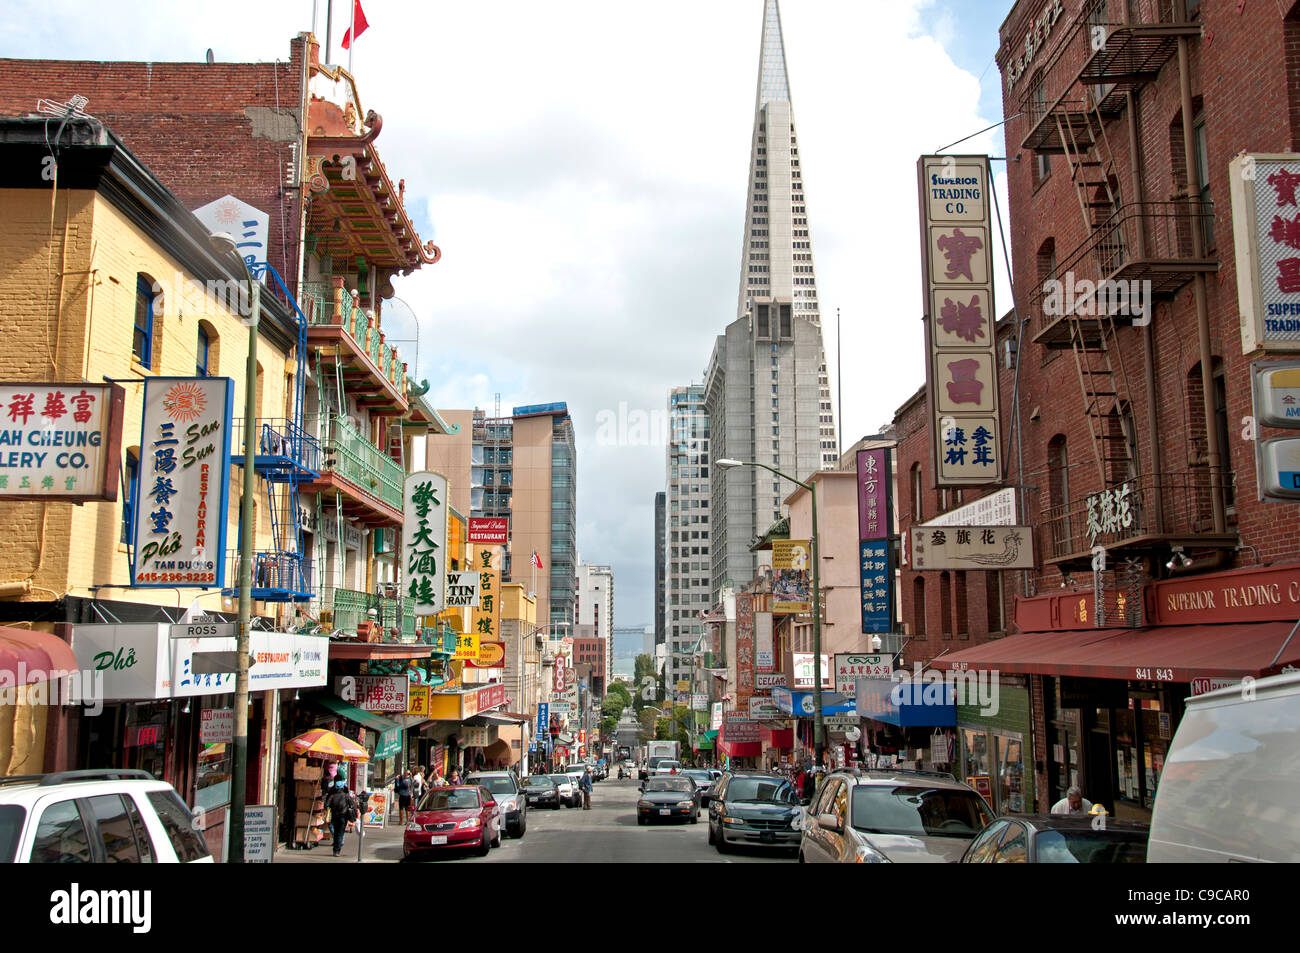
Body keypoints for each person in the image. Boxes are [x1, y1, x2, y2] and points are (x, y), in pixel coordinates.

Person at [327, 779, 358, 857]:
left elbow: (326, 804)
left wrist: (332, 807)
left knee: (336, 832)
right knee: (340, 833)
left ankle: (335, 849)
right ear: (342, 787)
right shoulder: (346, 796)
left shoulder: (332, 796)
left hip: (334, 816)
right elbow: (352, 805)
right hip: (343, 816)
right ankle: (337, 850)